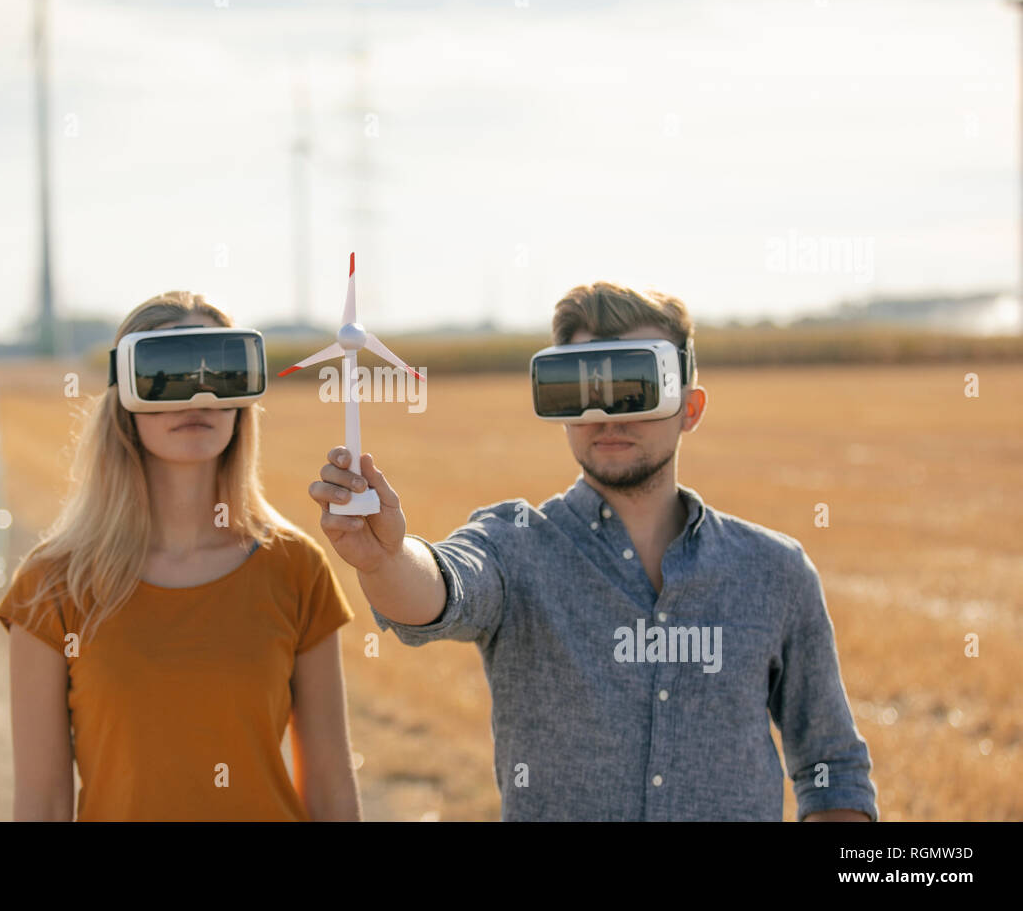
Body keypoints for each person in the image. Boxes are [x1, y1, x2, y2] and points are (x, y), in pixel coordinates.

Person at [309, 281, 878, 821]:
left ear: (691, 408)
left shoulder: (774, 572)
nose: (607, 412)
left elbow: (831, 767)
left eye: (634, 384)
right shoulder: (516, 545)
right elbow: (439, 592)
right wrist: (384, 559)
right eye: (582, 387)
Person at [0, 291, 360, 821]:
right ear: (124, 397)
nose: (200, 395)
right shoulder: (52, 584)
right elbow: (42, 803)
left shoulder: (296, 568)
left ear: (243, 398)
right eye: (169, 372)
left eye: (221, 372)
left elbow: (330, 783)